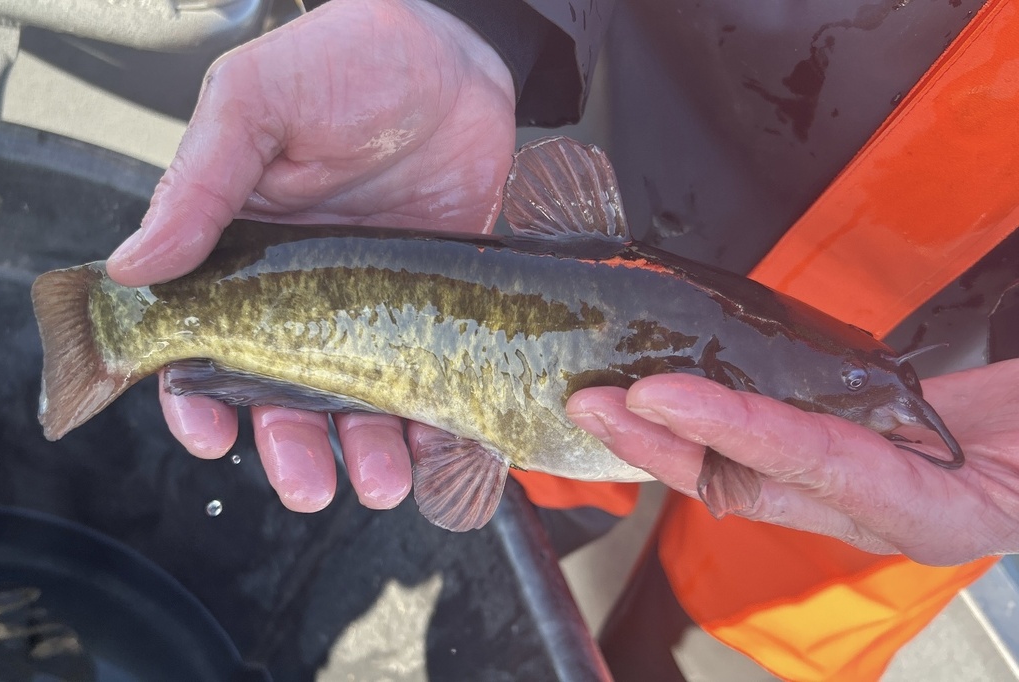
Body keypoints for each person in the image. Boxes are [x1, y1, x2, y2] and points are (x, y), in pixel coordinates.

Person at [106, 0, 1019, 678]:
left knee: (740, 641)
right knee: (501, 531)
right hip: (579, 154)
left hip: (952, 412)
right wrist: (471, 15)